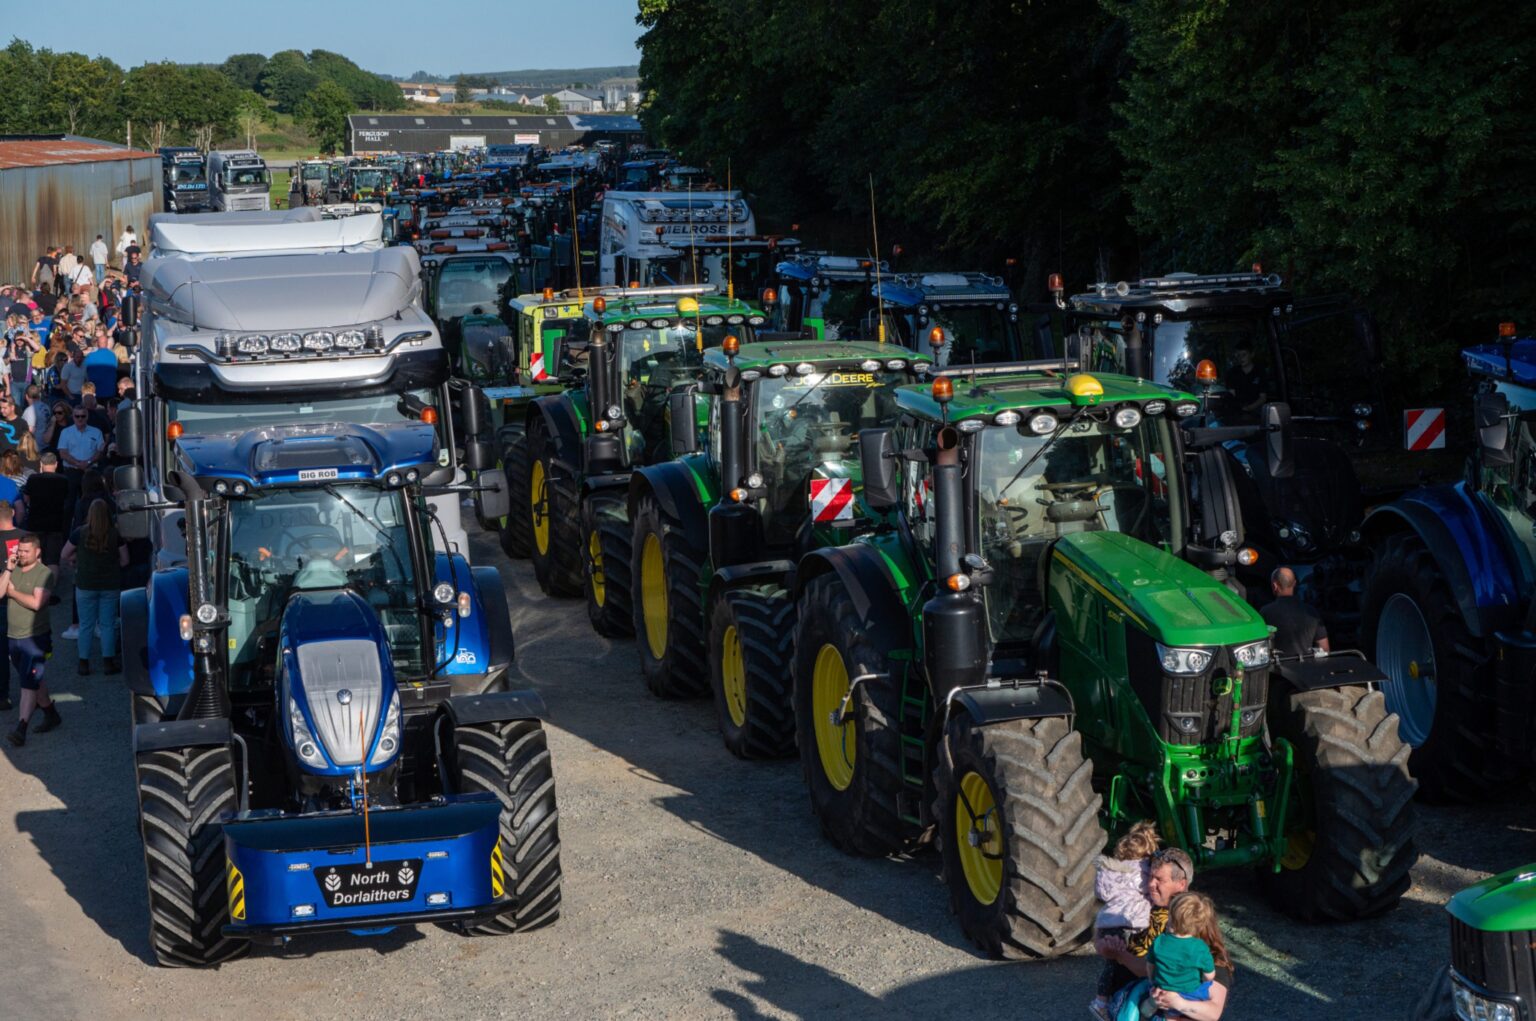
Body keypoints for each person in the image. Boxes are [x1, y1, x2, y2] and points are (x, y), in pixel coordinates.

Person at [1096, 847, 1195, 1000]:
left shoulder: (1187, 921)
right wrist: (1106, 944)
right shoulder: (1145, 902)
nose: (1150, 884)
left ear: (1181, 884)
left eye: (1159, 880)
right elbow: (1101, 938)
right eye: (1150, 877)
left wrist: (1120, 955)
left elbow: (1161, 974)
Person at [1091, 821, 1162, 1021]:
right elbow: (1151, 891)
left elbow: (1102, 893)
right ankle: (1135, 1001)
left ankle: (1101, 1000)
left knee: (1112, 964)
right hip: (1131, 923)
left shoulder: (1110, 871)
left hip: (1108, 923)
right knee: (1135, 961)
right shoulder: (1145, 870)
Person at [5, 533, 59, 746]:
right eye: (20, 550)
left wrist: (13, 593)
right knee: (33, 680)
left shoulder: (44, 573)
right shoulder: (14, 569)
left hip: (36, 638)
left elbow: (37, 603)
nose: (22, 554)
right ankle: (51, 714)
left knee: (27, 683)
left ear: (38, 552)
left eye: (26, 551)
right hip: (13, 636)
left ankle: (21, 728)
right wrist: (8, 570)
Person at [62, 499, 122, 675]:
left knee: (86, 624)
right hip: (109, 584)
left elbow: (64, 554)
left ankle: (83, 662)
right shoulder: (115, 534)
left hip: (85, 583)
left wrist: (76, 560)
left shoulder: (79, 533)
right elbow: (125, 560)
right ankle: (108, 662)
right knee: (107, 624)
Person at [1136, 893, 1218, 1019]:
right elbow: (1210, 976)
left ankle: (1150, 1005)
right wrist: (1204, 981)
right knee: (1207, 988)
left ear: (1171, 918)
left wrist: (1153, 982)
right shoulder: (1200, 948)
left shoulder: (1159, 941)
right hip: (1189, 992)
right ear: (1199, 925)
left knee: (1153, 993)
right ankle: (1172, 1015)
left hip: (1161, 988)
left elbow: (1150, 966)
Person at [1260, 566, 1330, 658]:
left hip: (1279, 670)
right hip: (1307, 668)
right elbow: (1324, 649)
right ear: (1295, 584)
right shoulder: (1311, 611)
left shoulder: (1265, 612)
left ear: (1275, 585)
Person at [20, 453, 71, 565]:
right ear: (56, 464)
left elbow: (26, 498)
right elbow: (67, 500)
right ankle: (52, 582)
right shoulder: (63, 480)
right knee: (53, 561)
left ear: (41, 464)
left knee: (35, 559)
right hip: (55, 524)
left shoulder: (33, 479)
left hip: (35, 523)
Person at [0, 501, 19, 711]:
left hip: (2, 602)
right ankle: (33, 691)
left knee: (2, 652)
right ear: (13, 513)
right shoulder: (27, 537)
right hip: (25, 600)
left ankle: (3, 695)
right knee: (26, 650)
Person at [1226, 342, 1266, 416]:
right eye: (1238, 355)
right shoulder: (1232, 373)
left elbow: (1263, 398)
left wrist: (1249, 408)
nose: (1241, 358)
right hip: (1238, 411)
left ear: (1252, 354)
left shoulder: (1260, 372)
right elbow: (1231, 394)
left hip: (1257, 410)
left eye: (1244, 354)